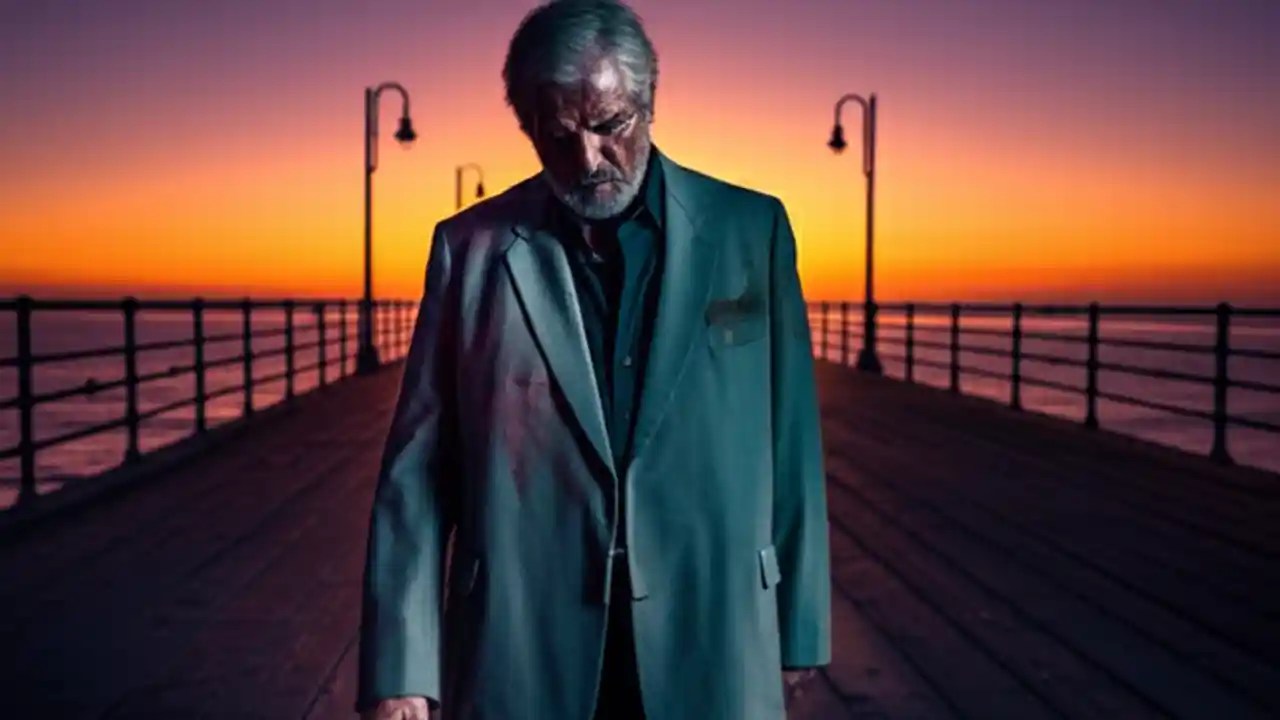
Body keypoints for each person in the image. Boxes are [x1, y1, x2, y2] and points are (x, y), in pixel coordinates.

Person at [355, 1, 830, 718]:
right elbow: (418, 472)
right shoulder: (468, 249)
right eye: (559, 136)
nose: (588, 159)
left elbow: (790, 442)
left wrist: (800, 625)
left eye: (611, 126)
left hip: (716, 624)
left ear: (649, 102)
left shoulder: (752, 228)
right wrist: (400, 665)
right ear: (529, 130)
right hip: (521, 636)